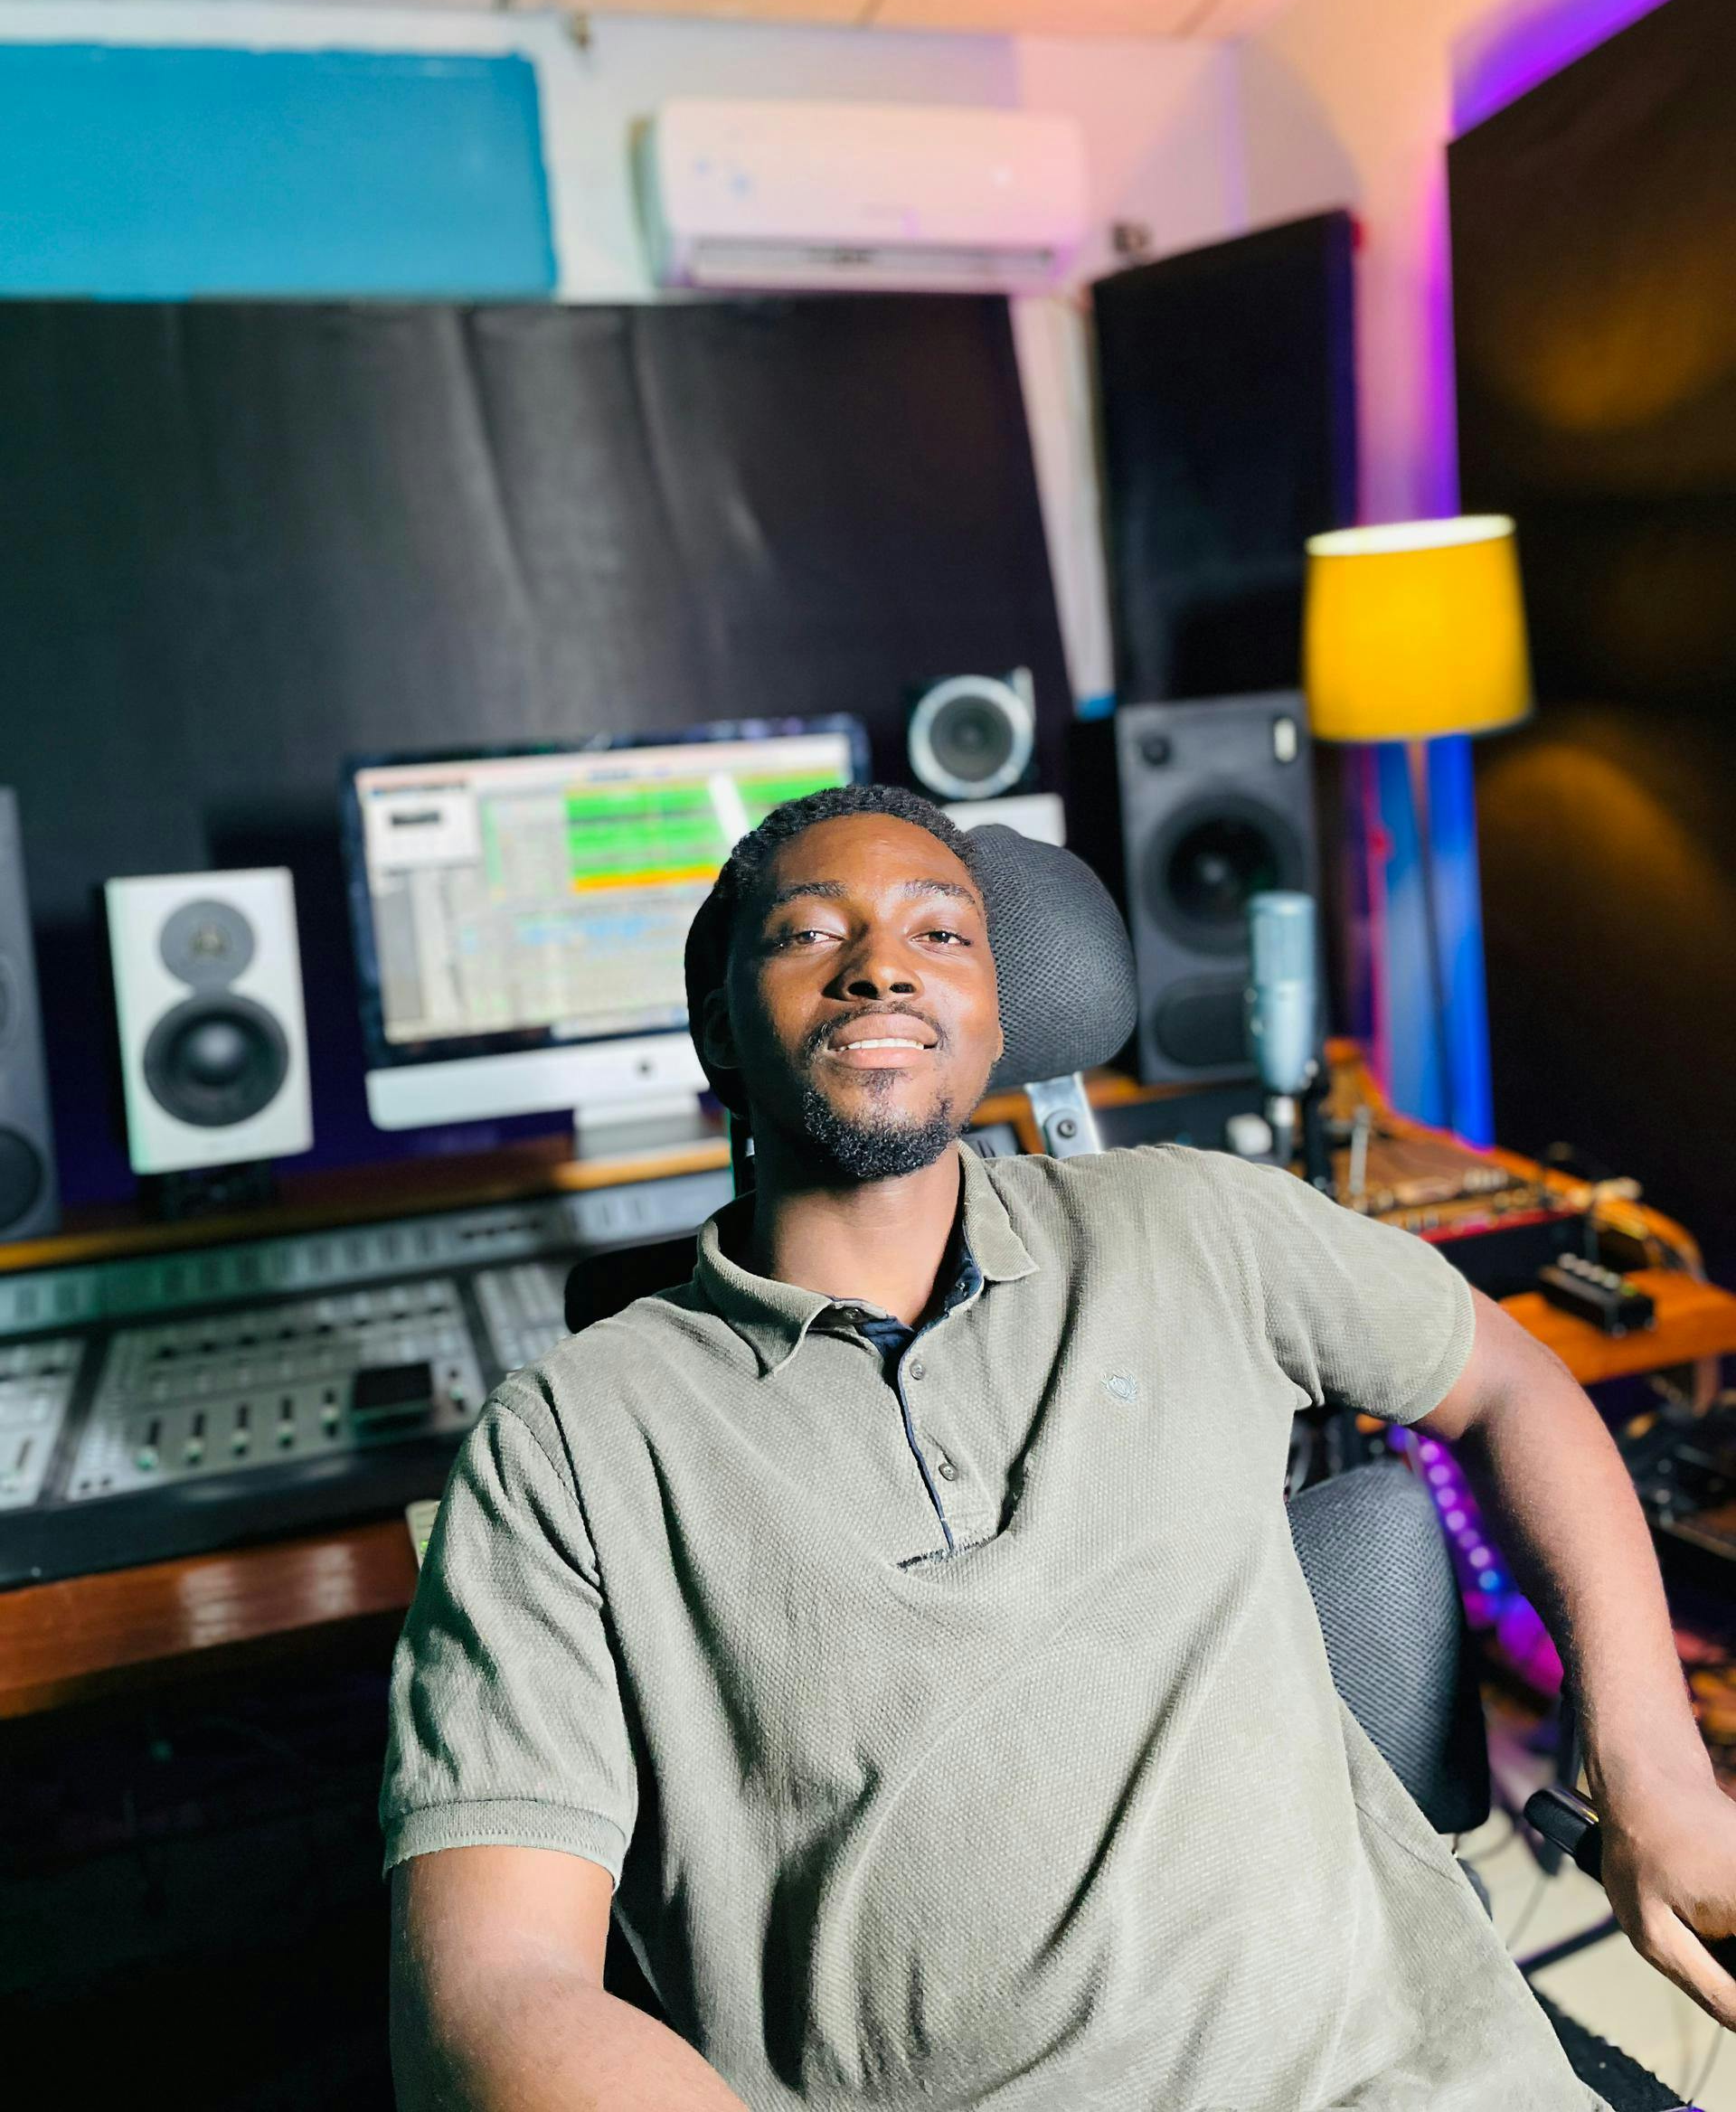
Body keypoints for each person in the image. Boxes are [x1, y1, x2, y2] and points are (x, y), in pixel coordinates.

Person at [382, 783, 1736, 2112]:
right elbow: (494, 1987)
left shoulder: (1198, 1225)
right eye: (809, 934)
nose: (879, 969)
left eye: (940, 932)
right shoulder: (568, 1438)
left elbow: (1509, 1379)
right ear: (716, 1032)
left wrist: (1653, 1765)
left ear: (993, 1023)